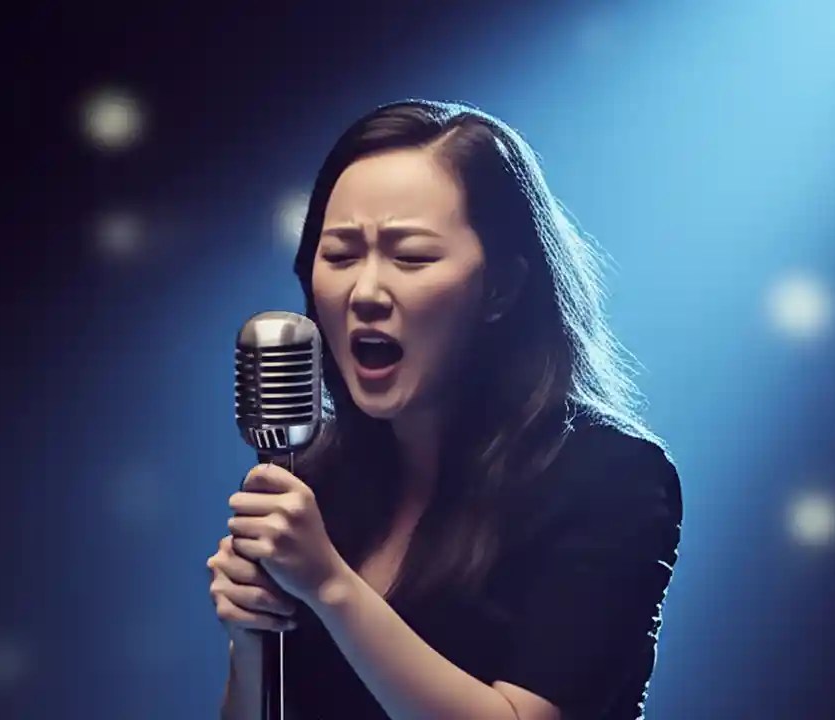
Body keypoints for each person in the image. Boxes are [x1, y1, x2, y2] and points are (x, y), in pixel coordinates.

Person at [207, 99, 683, 719]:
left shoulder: (611, 477)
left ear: (501, 288)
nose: (366, 292)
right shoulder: (316, 478)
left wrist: (328, 585)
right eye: (341, 255)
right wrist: (252, 635)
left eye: (410, 257)